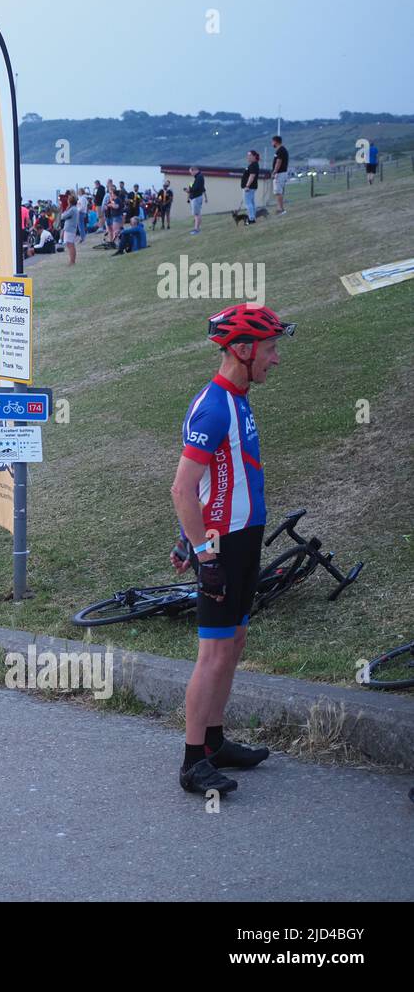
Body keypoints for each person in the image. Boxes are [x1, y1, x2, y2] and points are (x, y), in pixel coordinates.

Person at [170, 303, 294, 798]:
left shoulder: (238, 397)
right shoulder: (216, 405)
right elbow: (183, 488)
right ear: (242, 350)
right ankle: (191, 760)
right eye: (269, 349)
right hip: (222, 546)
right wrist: (203, 552)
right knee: (214, 654)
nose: (276, 359)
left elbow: (210, 485)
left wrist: (188, 538)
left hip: (243, 538)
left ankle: (215, 744)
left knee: (233, 645)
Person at [60, 193, 82, 265]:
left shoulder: (72, 209)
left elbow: (63, 216)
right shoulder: (74, 209)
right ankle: (72, 260)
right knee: (71, 245)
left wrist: (65, 209)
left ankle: (72, 261)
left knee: (70, 245)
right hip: (71, 228)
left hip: (70, 228)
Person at [240, 150, 260, 225]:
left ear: (254, 156)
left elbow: (252, 176)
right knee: (251, 202)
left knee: (248, 203)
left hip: (249, 187)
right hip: (251, 187)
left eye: (250, 155)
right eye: (247, 155)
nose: (248, 157)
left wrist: (247, 186)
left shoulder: (253, 165)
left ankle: (251, 219)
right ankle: (252, 217)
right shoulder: (253, 164)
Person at [270, 136, 289, 215]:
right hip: (282, 173)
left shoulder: (280, 150)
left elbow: (278, 162)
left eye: (272, 142)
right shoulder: (282, 150)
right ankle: (280, 208)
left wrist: (274, 172)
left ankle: (281, 209)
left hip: (280, 173)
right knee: (279, 191)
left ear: (276, 141)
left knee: (278, 192)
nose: (272, 143)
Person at [187, 167, 206, 235]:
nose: (191, 174)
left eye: (191, 172)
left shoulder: (199, 177)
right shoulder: (199, 176)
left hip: (196, 197)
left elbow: (196, 188)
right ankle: (197, 228)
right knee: (198, 213)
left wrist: (189, 190)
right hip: (197, 197)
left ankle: (196, 230)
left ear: (194, 170)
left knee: (196, 214)